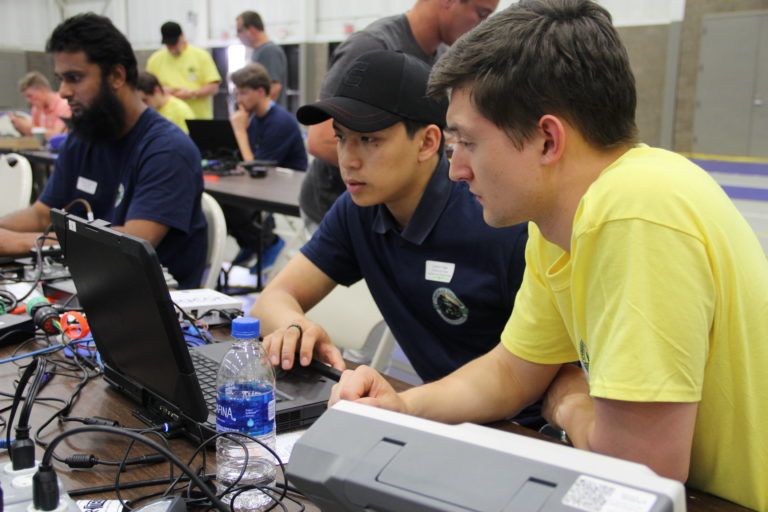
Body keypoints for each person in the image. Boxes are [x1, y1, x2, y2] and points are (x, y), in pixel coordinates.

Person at [328, 1, 768, 510]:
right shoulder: (557, 222)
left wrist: (566, 404)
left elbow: (642, 472)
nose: (456, 170)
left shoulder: (632, 211)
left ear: (547, 139)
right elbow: (510, 373)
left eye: (467, 143)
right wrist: (400, 404)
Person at [252, 50, 533, 420]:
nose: (347, 160)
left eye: (369, 140)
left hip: (520, 428)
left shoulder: (497, 221)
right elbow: (272, 298)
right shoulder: (358, 210)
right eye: (341, 137)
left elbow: (557, 371)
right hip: (433, 414)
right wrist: (295, 325)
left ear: (428, 143)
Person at [0, 13, 208, 290]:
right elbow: (41, 215)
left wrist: (17, 242)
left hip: (152, 305)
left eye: (74, 78)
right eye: (60, 78)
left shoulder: (167, 149)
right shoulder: (82, 138)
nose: (63, 91)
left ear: (117, 76)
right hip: (86, 284)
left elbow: (131, 243)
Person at [298, 0, 499, 232]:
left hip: (396, 213)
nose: (480, 25)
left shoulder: (443, 59)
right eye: (480, 13)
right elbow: (320, 139)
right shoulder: (373, 47)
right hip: (334, 204)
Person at [224, 63, 308, 272]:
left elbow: (255, 167)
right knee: (221, 200)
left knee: (234, 203)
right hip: (266, 181)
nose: (238, 100)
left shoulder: (280, 122)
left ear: (260, 92)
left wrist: (239, 132)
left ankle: (268, 243)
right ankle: (252, 244)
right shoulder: (255, 119)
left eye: (243, 93)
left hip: (286, 185)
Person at [146, 21, 221, 120]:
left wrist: (191, 94)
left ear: (182, 37)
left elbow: (213, 87)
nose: (172, 47)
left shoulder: (201, 56)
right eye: (168, 44)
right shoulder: (155, 60)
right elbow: (146, 88)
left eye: (174, 43)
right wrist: (161, 91)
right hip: (167, 121)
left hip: (198, 118)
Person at [235, 10, 288, 108]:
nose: (237, 35)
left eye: (239, 31)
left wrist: (259, 112)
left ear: (252, 29)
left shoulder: (269, 51)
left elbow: (274, 88)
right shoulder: (258, 52)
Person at [8, 71, 71, 140]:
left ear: (42, 91)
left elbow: (58, 136)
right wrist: (21, 128)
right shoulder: (36, 108)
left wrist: (29, 129)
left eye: (30, 96)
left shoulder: (64, 105)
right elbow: (35, 138)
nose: (28, 100)